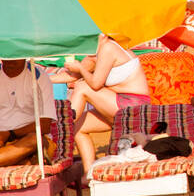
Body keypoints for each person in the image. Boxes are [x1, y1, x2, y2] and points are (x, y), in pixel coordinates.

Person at [54, 33, 150, 176]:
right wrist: (43, 80)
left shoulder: (109, 48)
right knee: (79, 127)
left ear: (104, 35)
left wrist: (80, 68)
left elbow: (95, 84)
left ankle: (62, 129)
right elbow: (71, 75)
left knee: (82, 87)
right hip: (118, 107)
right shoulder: (96, 55)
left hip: (133, 106)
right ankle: (88, 174)